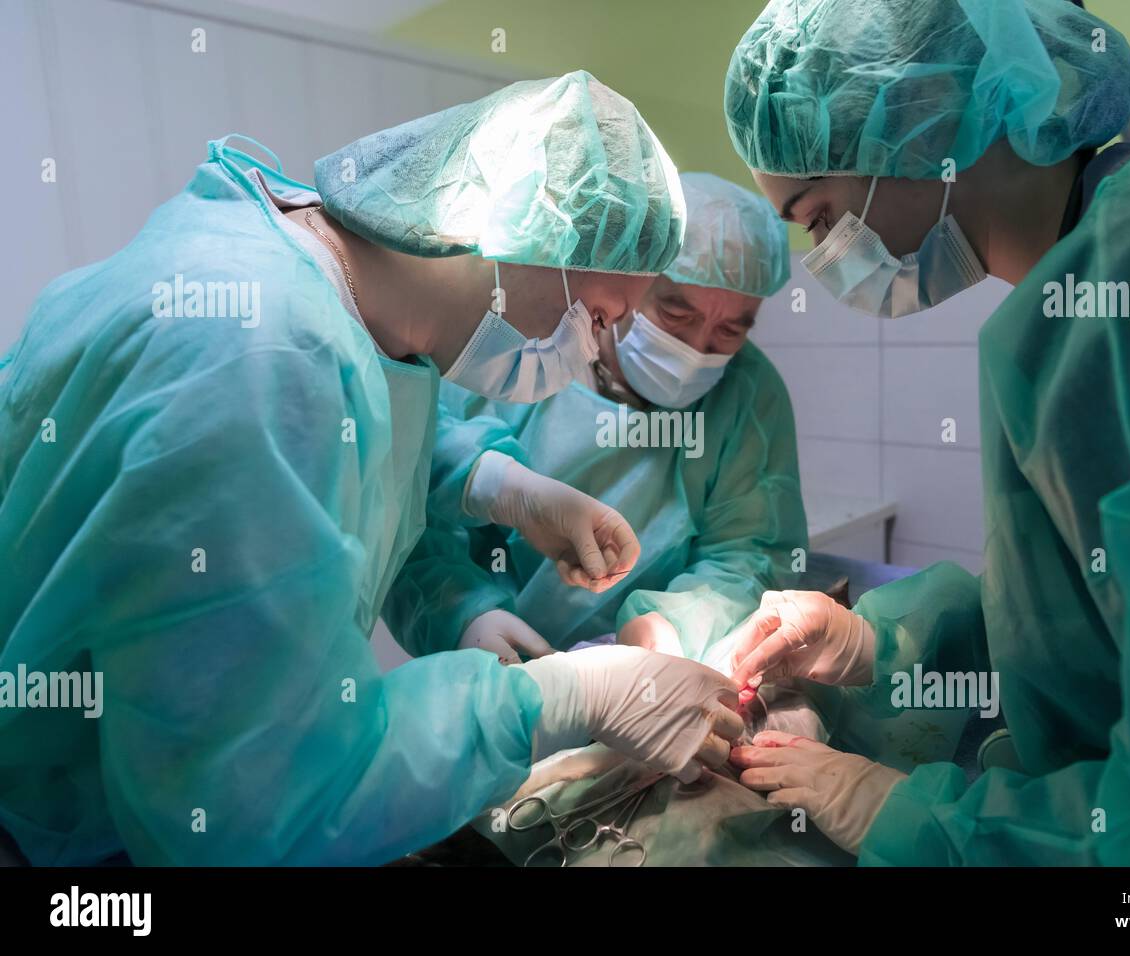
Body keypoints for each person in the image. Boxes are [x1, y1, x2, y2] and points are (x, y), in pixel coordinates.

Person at [0, 71, 743, 866]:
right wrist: (560, 698)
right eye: (599, 316)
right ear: (517, 235)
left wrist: (498, 486)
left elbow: (349, 440)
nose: (593, 349)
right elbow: (254, 810)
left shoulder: (299, 258)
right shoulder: (254, 360)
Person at [722, 0, 1130, 864]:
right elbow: (1121, 612)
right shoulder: (1097, 267)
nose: (830, 254)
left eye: (818, 215)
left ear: (917, 121)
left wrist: (924, 822)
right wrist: (881, 639)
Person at [383, 173, 807, 666]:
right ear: (632, 283)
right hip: (501, 675)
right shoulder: (526, 351)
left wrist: (675, 625)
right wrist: (467, 616)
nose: (697, 348)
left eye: (732, 329)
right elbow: (418, 511)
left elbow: (752, 552)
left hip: (660, 674)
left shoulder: (750, 393)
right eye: (676, 313)